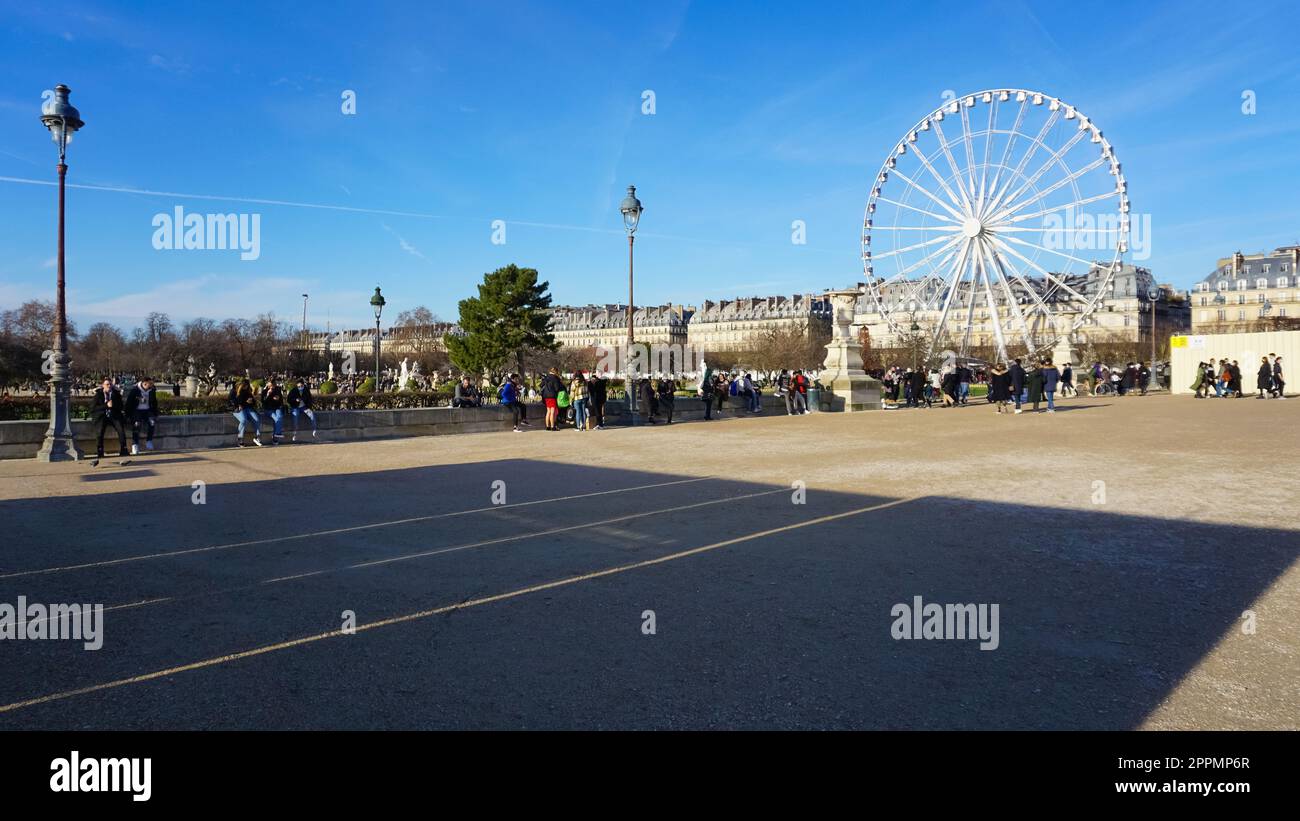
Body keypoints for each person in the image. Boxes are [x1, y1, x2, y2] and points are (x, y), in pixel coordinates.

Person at [92, 377, 129, 458]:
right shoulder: (98, 394)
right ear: (103, 385)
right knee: (100, 432)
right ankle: (100, 451)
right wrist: (106, 405)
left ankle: (124, 449)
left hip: (114, 415)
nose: (109, 386)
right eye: (107, 384)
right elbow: (93, 408)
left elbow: (121, 406)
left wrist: (113, 406)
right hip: (102, 416)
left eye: (110, 384)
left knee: (121, 430)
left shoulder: (116, 394)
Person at [124, 375, 160, 454]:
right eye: (150, 384)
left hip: (147, 411)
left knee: (152, 422)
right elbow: (129, 403)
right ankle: (135, 444)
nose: (151, 385)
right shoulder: (135, 390)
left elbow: (154, 403)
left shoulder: (152, 390)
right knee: (137, 424)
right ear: (144, 384)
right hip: (137, 411)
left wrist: (155, 414)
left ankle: (149, 440)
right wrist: (127, 415)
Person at [228, 378, 262, 447]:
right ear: (242, 385)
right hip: (237, 409)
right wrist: (239, 404)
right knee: (243, 420)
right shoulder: (234, 391)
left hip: (248, 408)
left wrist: (251, 401)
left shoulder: (248, 391)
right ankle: (240, 438)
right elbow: (231, 402)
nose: (247, 387)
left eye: (247, 386)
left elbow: (253, 402)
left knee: (256, 419)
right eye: (246, 386)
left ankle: (257, 436)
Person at [262, 377, 286, 444]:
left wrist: (278, 399)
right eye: (269, 386)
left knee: (280, 417)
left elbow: (281, 402)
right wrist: (267, 395)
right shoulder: (264, 391)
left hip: (277, 408)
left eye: (272, 386)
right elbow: (263, 402)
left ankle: (277, 434)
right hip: (268, 409)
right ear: (267, 385)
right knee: (276, 419)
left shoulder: (277, 390)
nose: (271, 388)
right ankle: (275, 437)